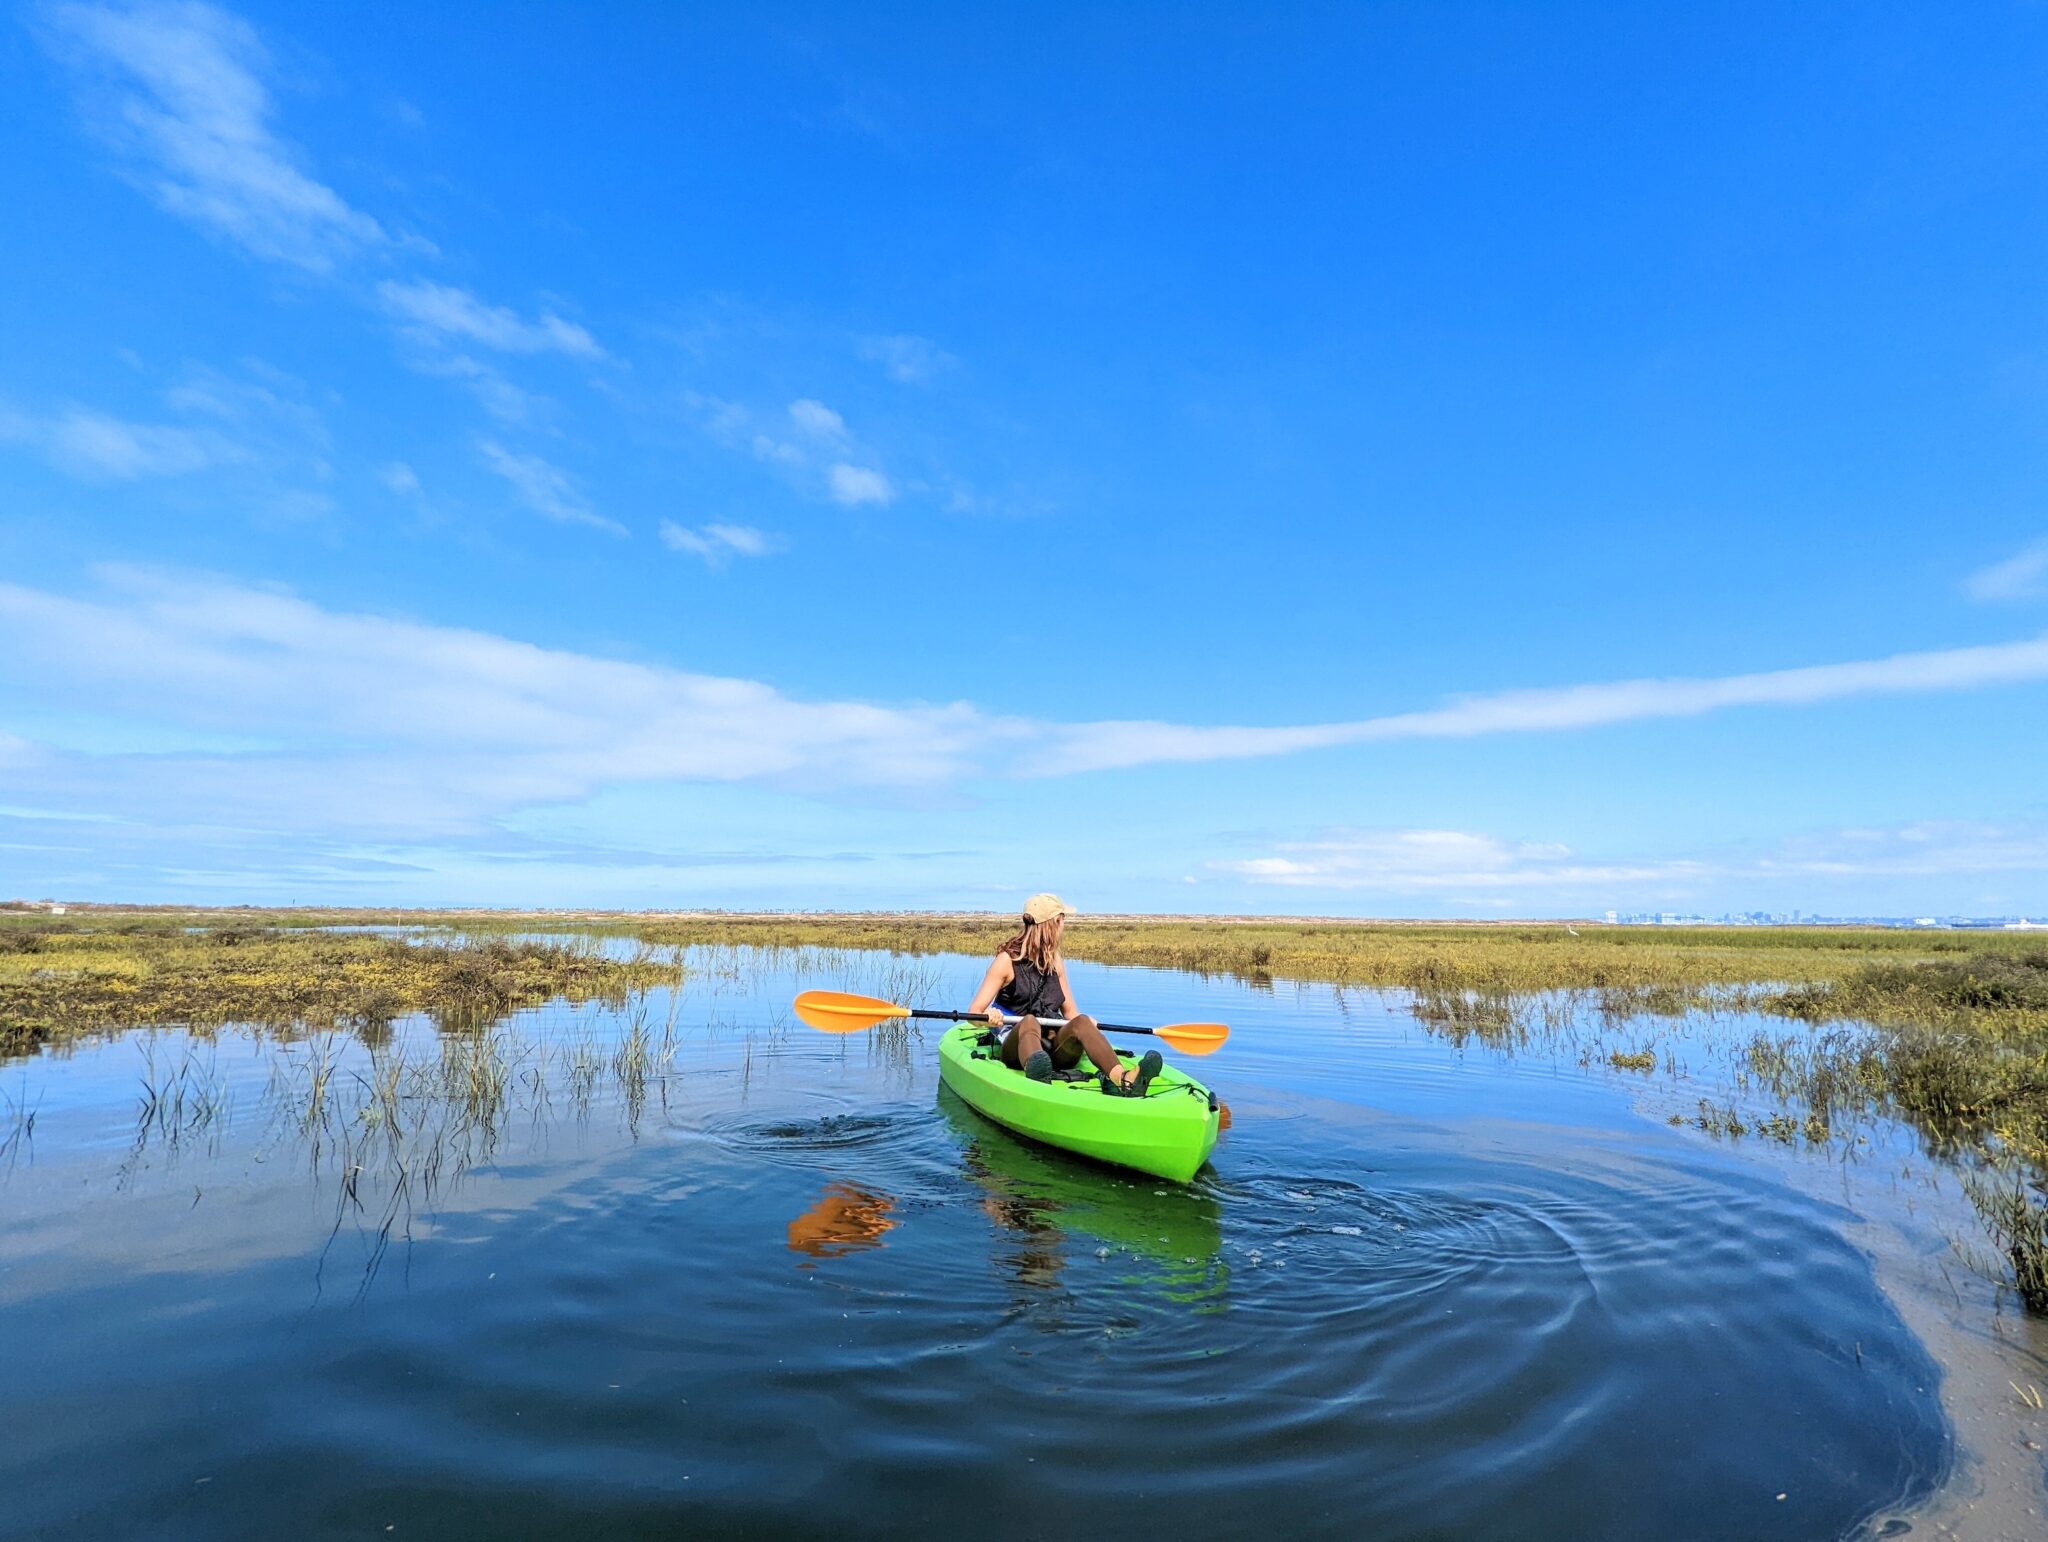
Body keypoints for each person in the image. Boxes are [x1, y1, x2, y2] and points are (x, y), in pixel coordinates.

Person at [965, 894, 1161, 1095]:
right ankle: (1037, 1076)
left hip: (1053, 1047)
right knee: (1029, 1021)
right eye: (1063, 919)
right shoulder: (1006, 961)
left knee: (1082, 1020)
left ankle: (1123, 1079)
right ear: (1054, 923)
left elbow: (1070, 1012)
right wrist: (987, 1017)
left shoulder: (1054, 961)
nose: (1064, 926)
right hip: (1017, 1050)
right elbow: (974, 1012)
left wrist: (1087, 1027)